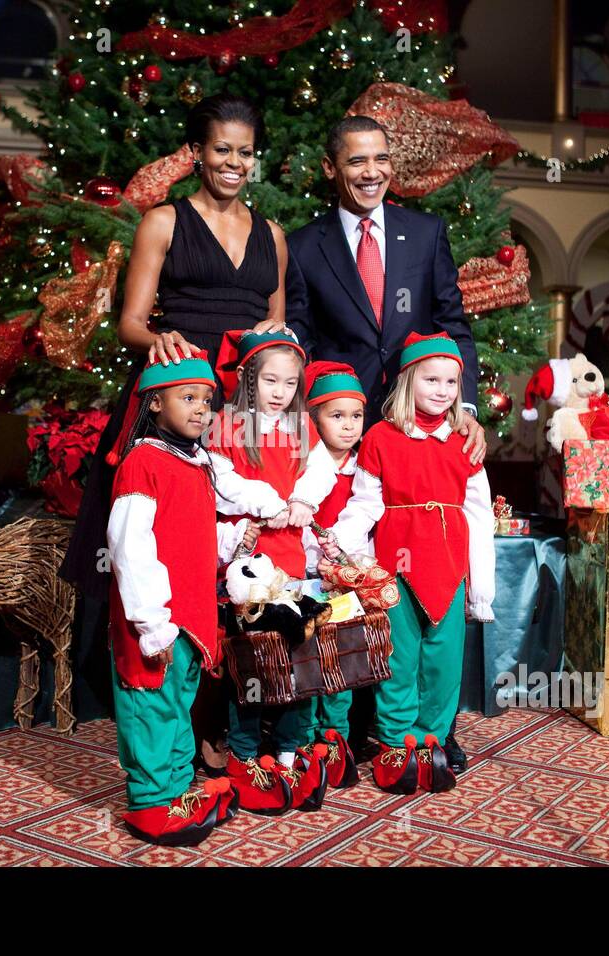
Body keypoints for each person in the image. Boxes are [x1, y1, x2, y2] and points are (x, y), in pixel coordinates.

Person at [58, 93, 291, 773]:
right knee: (175, 555)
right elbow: (130, 323)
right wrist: (158, 339)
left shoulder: (273, 236)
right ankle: (174, 724)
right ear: (196, 153)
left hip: (245, 411)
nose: (234, 162)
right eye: (221, 149)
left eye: (245, 151)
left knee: (241, 558)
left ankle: (228, 722)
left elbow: (276, 328)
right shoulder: (163, 221)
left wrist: (277, 347)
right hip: (179, 402)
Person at [284, 114, 487, 771]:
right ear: (331, 168)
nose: (370, 172)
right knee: (347, 571)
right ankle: (344, 729)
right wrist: (316, 416)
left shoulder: (424, 232)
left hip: (416, 426)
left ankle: (427, 729)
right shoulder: (305, 245)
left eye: (380, 159)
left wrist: (463, 406)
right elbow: (300, 336)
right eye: (356, 161)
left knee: (418, 581)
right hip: (341, 434)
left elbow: (452, 322)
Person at [323, 333, 496, 795]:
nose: (442, 390)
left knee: (443, 659)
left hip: (449, 565)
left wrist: (481, 586)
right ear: (407, 380)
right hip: (395, 566)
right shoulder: (380, 438)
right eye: (431, 379)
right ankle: (395, 741)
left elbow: (480, 514)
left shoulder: (464, 442)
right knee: (398, 656)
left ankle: (431, 738)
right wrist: (341, 547)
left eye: (451, 382)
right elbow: (365, 503)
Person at [104, 350, 254, 846]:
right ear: (154, 403)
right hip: (158, 618)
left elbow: (190, 532)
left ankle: (174, 791)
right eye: (188, 398)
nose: (201, 409)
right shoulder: (142, 462)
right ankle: (150, 803)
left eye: (206, 400)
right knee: (151, 706)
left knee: (178, 705)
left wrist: (232, 540)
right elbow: (130, 548)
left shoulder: (196, 463)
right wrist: (151, 623)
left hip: (190, 614)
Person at [209, 329, 338, 814]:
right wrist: (269, 502)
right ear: (249, 379)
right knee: (253, 663)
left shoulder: (302, 427)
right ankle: (244, 754)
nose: (280, 391)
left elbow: (322, 471)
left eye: (290, 382)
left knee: (297, 663)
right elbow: (222, 480)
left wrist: (302, 500)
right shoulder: (227, 425)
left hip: (293, 560)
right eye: (270, 381)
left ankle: (289, 749)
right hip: (251, 563)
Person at [299, 360, 370, 790]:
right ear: (314, 418)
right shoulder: (305, 465)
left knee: (342, 659)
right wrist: (315, 557)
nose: (348, 425)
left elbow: (368, 517)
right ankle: (307, 741)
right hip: (308, 576)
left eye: (356, 415)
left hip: (345, 578)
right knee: (309, 659)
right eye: (336, 415)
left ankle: (336, 736)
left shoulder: (364, 467)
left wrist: (345, 559)